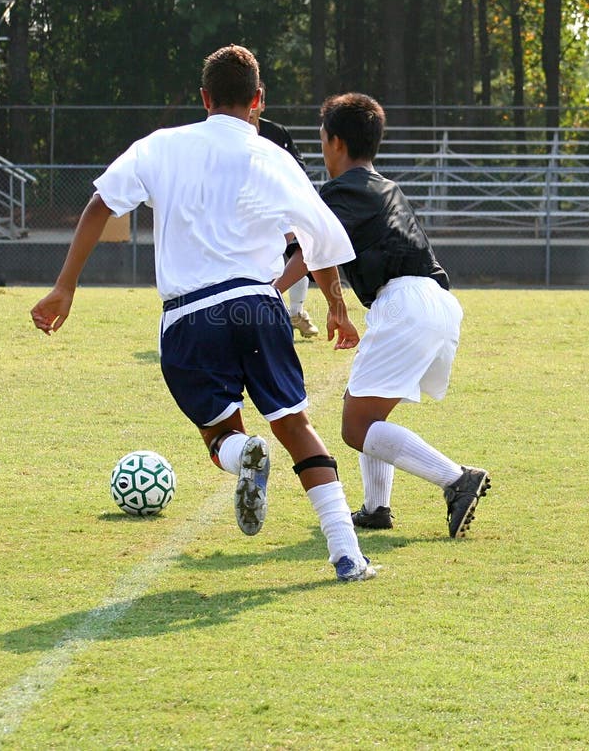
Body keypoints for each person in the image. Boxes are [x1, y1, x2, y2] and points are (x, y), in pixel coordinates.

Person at [30, 46, 376, 582]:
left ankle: (244, 455)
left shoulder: (162, 146)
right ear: (259, 100)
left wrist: (64, 287)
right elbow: (321, 238)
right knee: (297, 425)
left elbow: (101, 204)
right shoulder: (274, 158)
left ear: (205, 98)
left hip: (191, 315)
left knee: (219, 436)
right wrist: (336, 305)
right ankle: (347, 555)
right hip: (260, 306)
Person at [275, 92, 490, 539]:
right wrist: (337, 307)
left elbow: (310, 248)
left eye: (321, 137)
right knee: (366, 404)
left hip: (405, 304)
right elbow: (327, 252)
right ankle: (376, 508)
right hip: (433, 303)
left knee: (357, 426)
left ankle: (456, 479)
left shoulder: (342, 191)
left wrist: (269, 291)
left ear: (334, 142)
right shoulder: (383, 187)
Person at [248, 82, 319, 338]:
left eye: (256, 101)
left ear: (261, 103)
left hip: (277, 207)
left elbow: (298, 169)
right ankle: (262, 308)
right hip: (245, 211)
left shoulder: (276, 133)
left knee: (301, 250)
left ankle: (295, 312)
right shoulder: (227, 136)